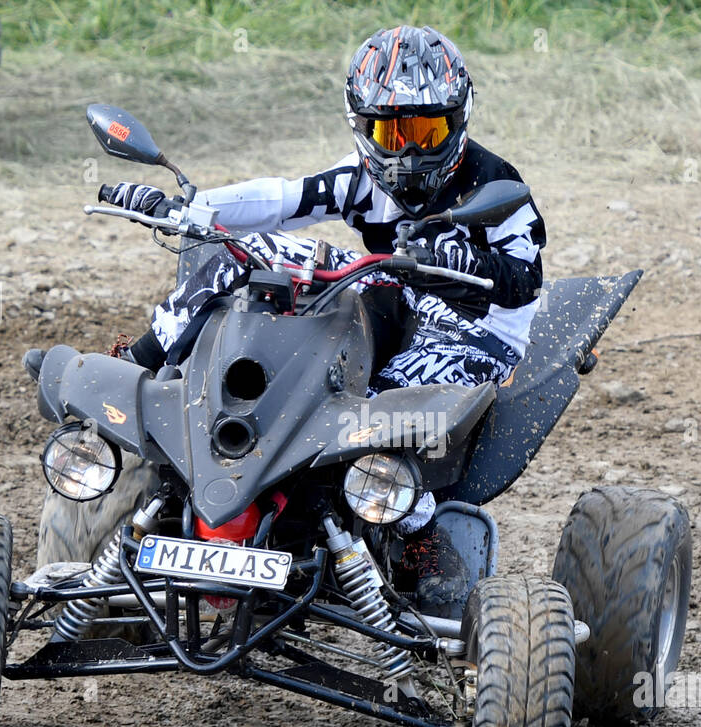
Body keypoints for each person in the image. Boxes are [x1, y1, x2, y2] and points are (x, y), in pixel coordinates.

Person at [100, 25, 546, 610]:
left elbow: (525, 282)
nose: (408, 150)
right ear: (361, 126)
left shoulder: (498, 187)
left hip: (476, 329)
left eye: (426, 129)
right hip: (397, 290)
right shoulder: (361, 180)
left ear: (459, 120)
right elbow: (282, 199)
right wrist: (191, 208)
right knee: (250, 254)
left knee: (374, 414)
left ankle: (422, 536)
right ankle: (145, 362)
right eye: (391, 129)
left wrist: (451, 256)